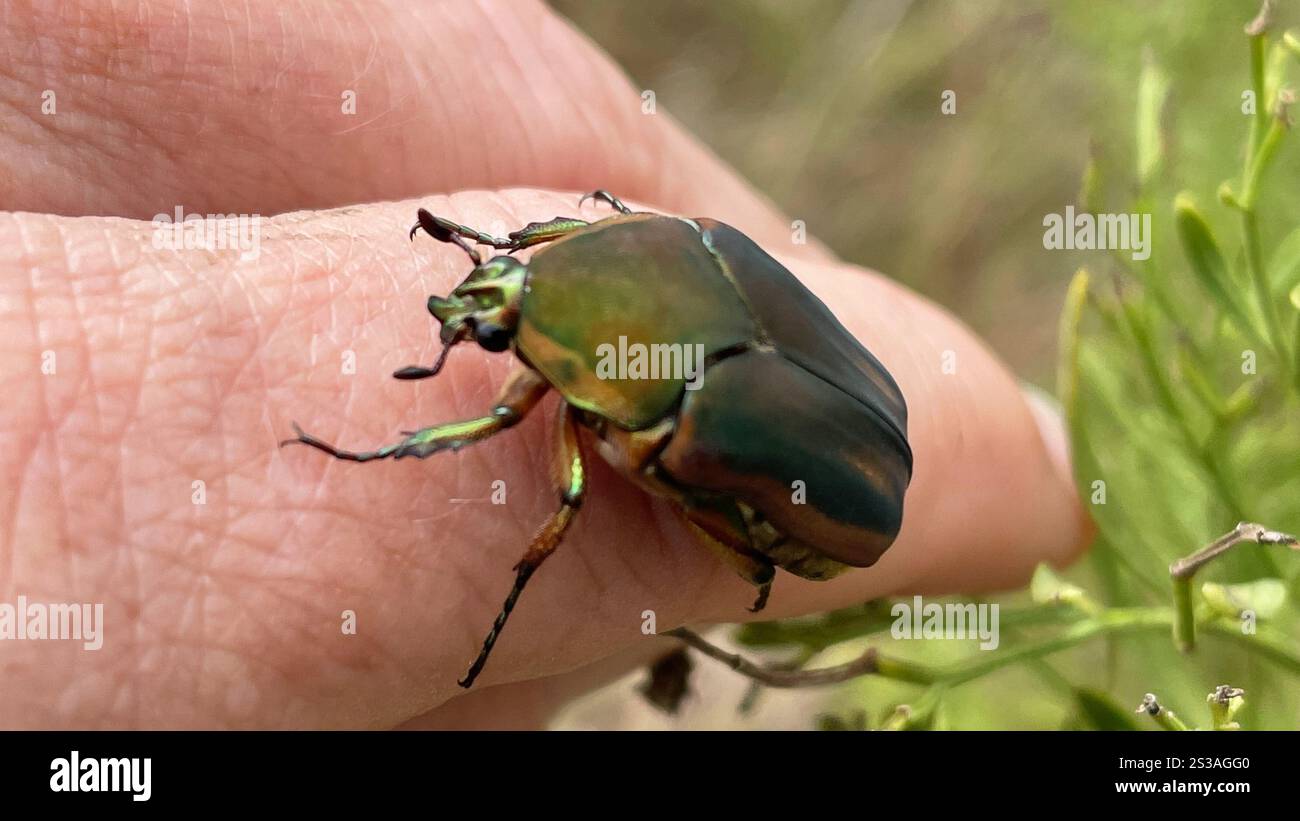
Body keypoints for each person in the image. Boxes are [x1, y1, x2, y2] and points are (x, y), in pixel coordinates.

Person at [0, 0, 1087, 728]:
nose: (489, 295)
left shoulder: (636, 414)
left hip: (842, 486)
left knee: (583, 494)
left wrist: (386, 446)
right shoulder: (674, 252)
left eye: (501, 298)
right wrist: (508, 254)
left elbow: (555, 484)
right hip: (802, 373)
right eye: (499, 292)